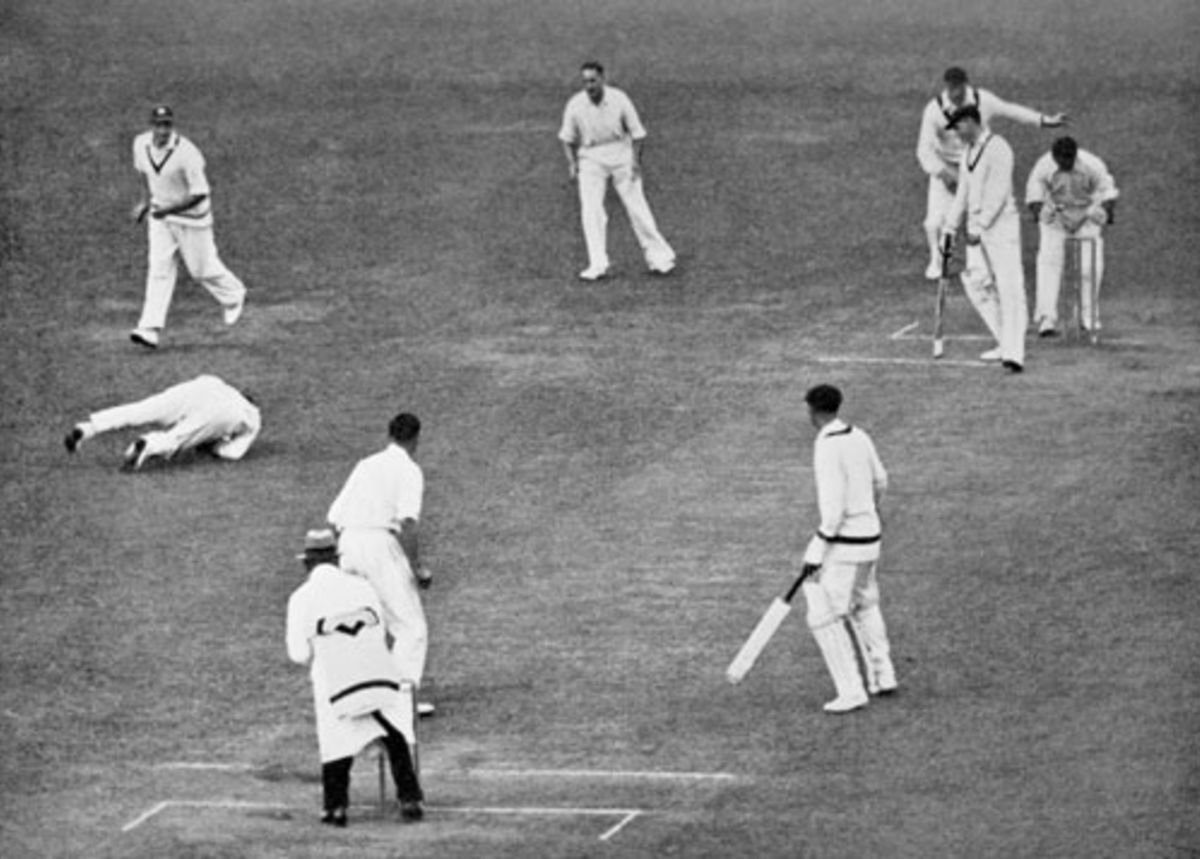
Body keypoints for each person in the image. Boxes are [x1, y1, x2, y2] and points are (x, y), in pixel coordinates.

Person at [286, 529, 425, 827]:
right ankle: (410, 797)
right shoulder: (364, 587)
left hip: (334, 683)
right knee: (394, 736)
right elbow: (381, 626)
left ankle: (335, 808)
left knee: (336, 741)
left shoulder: (301, 598)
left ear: (307, 564)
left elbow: (298, 654)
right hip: (377, 672)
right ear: (335, 560)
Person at [327, 412, 434, 715]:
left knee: (359, 623)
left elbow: (334, 517)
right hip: (377, 543)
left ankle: (358, 694)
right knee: (411, 627)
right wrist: (417, 568)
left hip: (347, 544)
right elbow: (408, 523)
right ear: (416, 439)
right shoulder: (409, 471)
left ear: (389, 435)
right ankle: (399, 700)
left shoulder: (366, 465)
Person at [798, 385, 896, 714]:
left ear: (813, 411)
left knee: (823, 616)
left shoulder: (825, 446)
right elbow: (881, 480)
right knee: (865, 603)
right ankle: (884, 675)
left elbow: (834, 507)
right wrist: (871, 512)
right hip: (871, 539)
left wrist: (818, 545)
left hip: (847, 545)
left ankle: (851, 690)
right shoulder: (860, 435)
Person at [917, 67, 1067, 280]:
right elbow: (924, 151)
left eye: (958, 87)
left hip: (977, 165)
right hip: (946, 167)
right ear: (946, 86)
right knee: (935, 222)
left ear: (965, 84)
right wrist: (945, 174)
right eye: (951, 88)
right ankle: (936, 261)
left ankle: (980, 264)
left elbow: (1011, 110)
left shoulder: (982, 100)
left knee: (980, 217)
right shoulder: (934, 110)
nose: (955, 93)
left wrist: (1044, 120)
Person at [129, 104, 246, 349]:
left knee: (201, 270)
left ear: (172, 126)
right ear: (151, 126)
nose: (163, 131)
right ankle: (149, 328)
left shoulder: (188, 153)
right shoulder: (140, 144)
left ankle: (234, 295)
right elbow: (143, 173)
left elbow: (200, 194)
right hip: (161, 216)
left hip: (193, 219)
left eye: (167, 125)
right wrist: (144, 201)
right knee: (159, 269)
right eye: (159, 125)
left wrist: (169, 210)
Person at [558, 61, 676, 281]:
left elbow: (638, 134)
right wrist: (572, 163)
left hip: (621, 153)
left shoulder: (619, 99)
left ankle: (660, 258)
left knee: (637, 207)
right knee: (591, 211)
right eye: (585, 82)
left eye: (593, 81)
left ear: (603, 79)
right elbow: (566, 138)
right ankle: (597, 264)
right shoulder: (575, 105)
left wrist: (635, 162)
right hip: (590, 158)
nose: (589, 86)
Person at [941, 105, 1027, 373]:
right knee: (976, 283)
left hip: (1001, 228)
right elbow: (964, 193)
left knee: (1009, 288)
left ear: (971, 122)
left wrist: (981, 225)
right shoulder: (968, 151)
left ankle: (1015, 353)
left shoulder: (998, 147)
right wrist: (949, 228)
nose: (956, 133)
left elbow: (1000, 192)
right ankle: (1004, 341)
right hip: (977, 228)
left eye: (958, 127)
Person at [63, 374, 260, 470]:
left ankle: (88, 428)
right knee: (177, 439)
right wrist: (211, 446)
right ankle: (146, 445)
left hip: (200, 389)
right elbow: (232, 453)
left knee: (142, 409)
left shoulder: (217, 381)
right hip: (224, 413)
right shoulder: (251, 416)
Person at [1025, 136, 1119, 336]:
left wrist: (1104, 212)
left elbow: (1108, 193)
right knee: (1048, 263)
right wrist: (1042, 213)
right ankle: (1046, 319)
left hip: (1087, 213)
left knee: (1089, 268)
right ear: (1054, 157)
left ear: (1076, 155)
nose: (1065, 163)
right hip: (1056, 215)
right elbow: (1034, 197)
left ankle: (1088, 316)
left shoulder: (1092, 165)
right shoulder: (1043, 166)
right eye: (1061, 160)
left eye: (1069, 159)